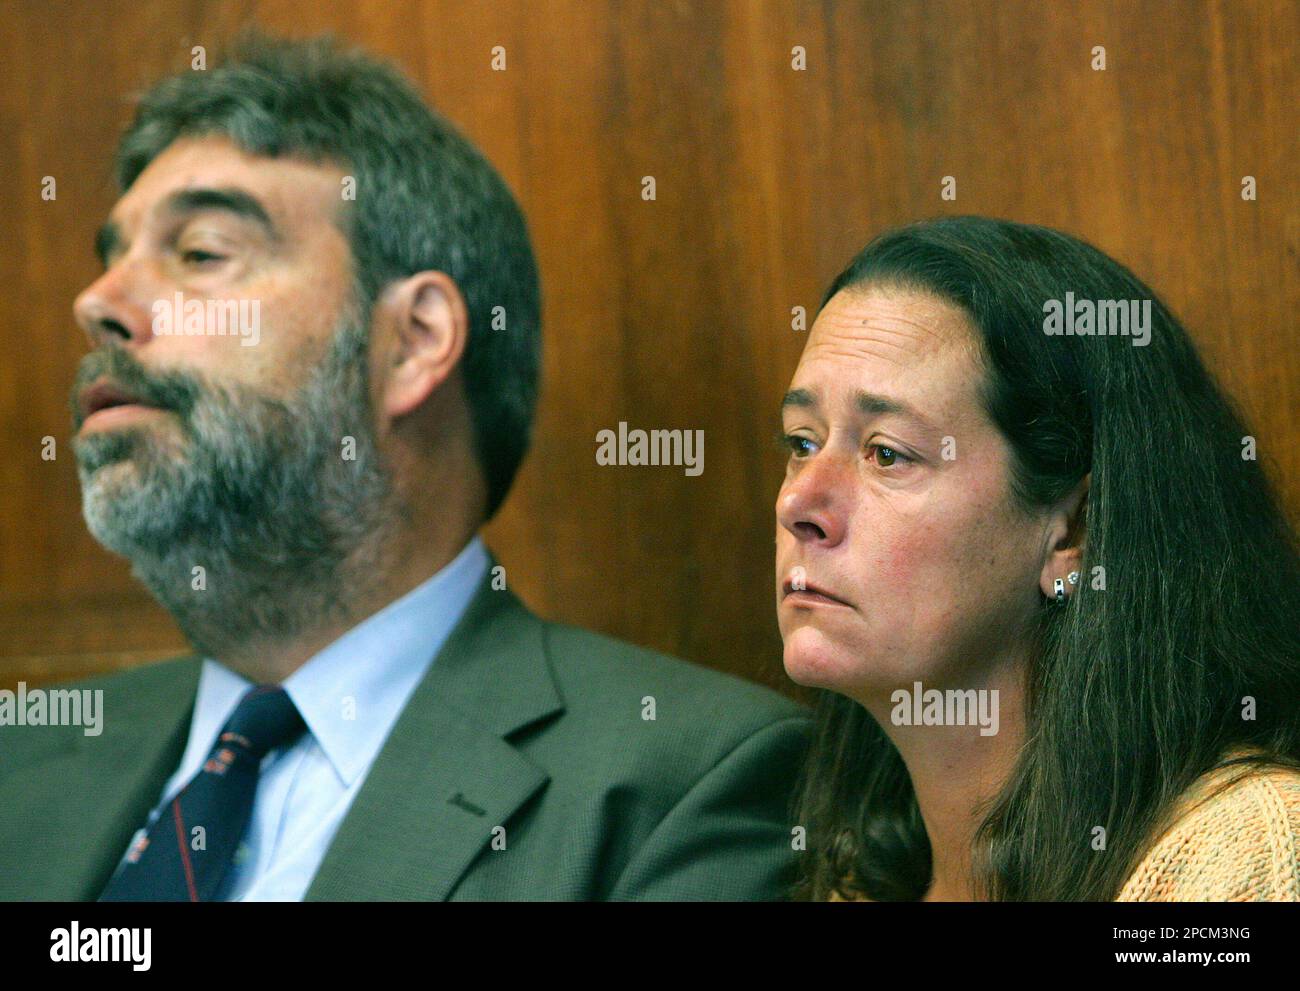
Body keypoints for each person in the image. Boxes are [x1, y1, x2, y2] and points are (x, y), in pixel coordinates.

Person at [0, 32, 809, 902]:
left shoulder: (681, 784)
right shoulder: (22, 759)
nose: (96, 304)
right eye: (111, 255)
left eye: (199, 252)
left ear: (414, 341)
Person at [776, 216, 1300, 901]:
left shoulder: (1242, 855)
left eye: (887, 453)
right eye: (802, 442)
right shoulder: (858, 878)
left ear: (1071, 530)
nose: (800, 504)